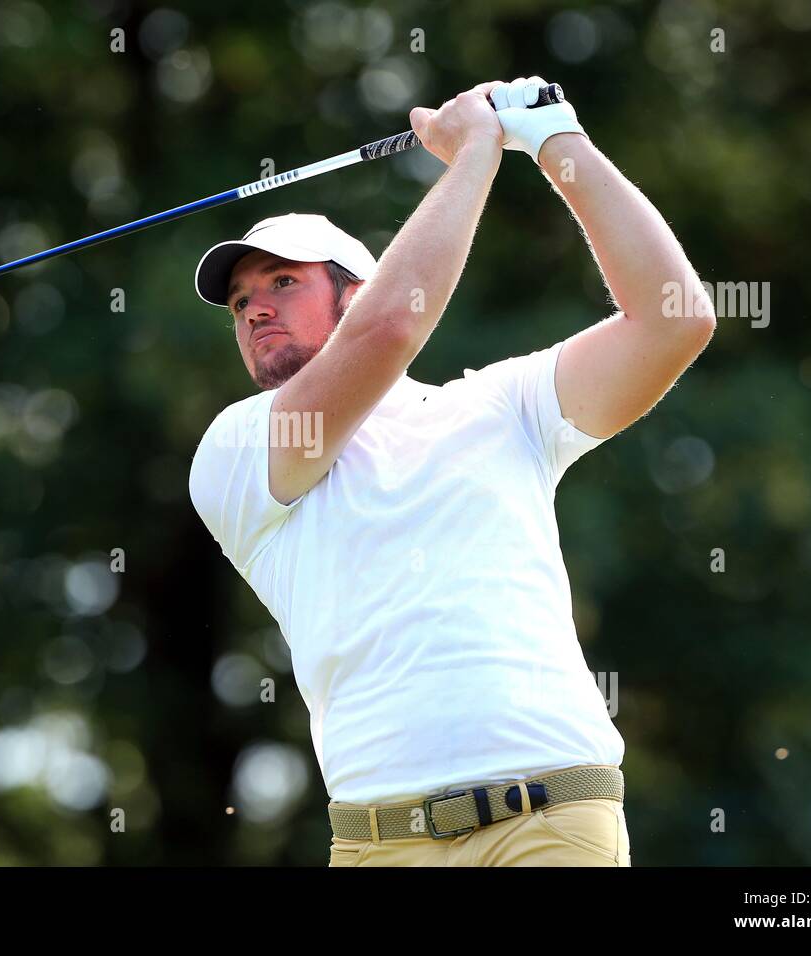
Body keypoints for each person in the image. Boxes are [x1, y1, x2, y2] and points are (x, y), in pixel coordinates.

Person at [187, 77, 716, 866]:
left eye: (283, 282)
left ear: (352, 292)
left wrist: (552, 138)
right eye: (239, 302)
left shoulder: (502, 406)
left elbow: (675, 316)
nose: (255, 309)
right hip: (377, 844)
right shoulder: (238, 449)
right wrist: (473, 150)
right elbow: (391, 327)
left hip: (550, 817)